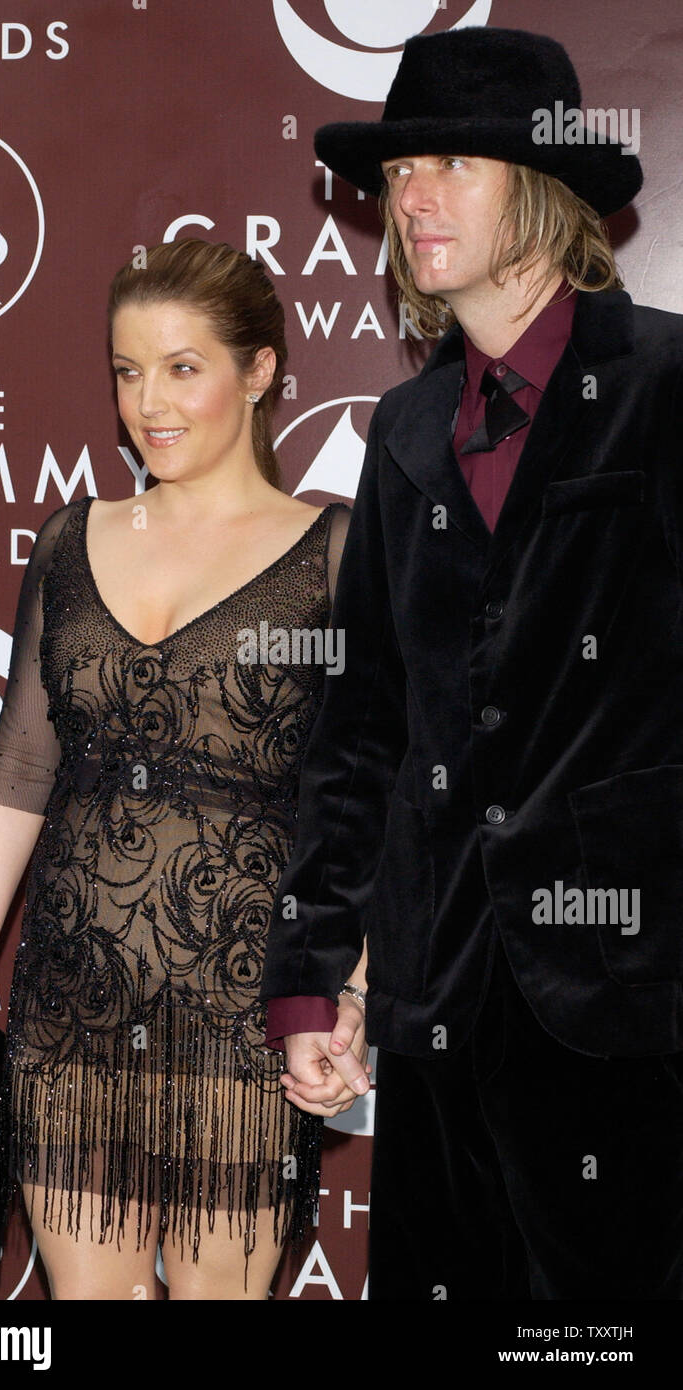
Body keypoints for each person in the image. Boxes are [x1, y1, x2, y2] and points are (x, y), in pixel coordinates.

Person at [259, 26, 683, 1300]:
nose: (416, 195)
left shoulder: (667, 385)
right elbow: (363, 731)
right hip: (439, 1007)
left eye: (454, 161)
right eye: (398, 171)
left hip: (628, 1004)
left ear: (545, 190)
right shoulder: (402, 430)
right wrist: (312, 980)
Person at [0, 237, 358, 1300]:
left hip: (246, 1010)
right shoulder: (72, 540)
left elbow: (367, 799)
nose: (148, 403)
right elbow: (22, 767)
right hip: (76, 995)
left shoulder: (338, 552)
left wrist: (347, 989)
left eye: (182, 366)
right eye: (127, 370)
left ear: (258, 373)